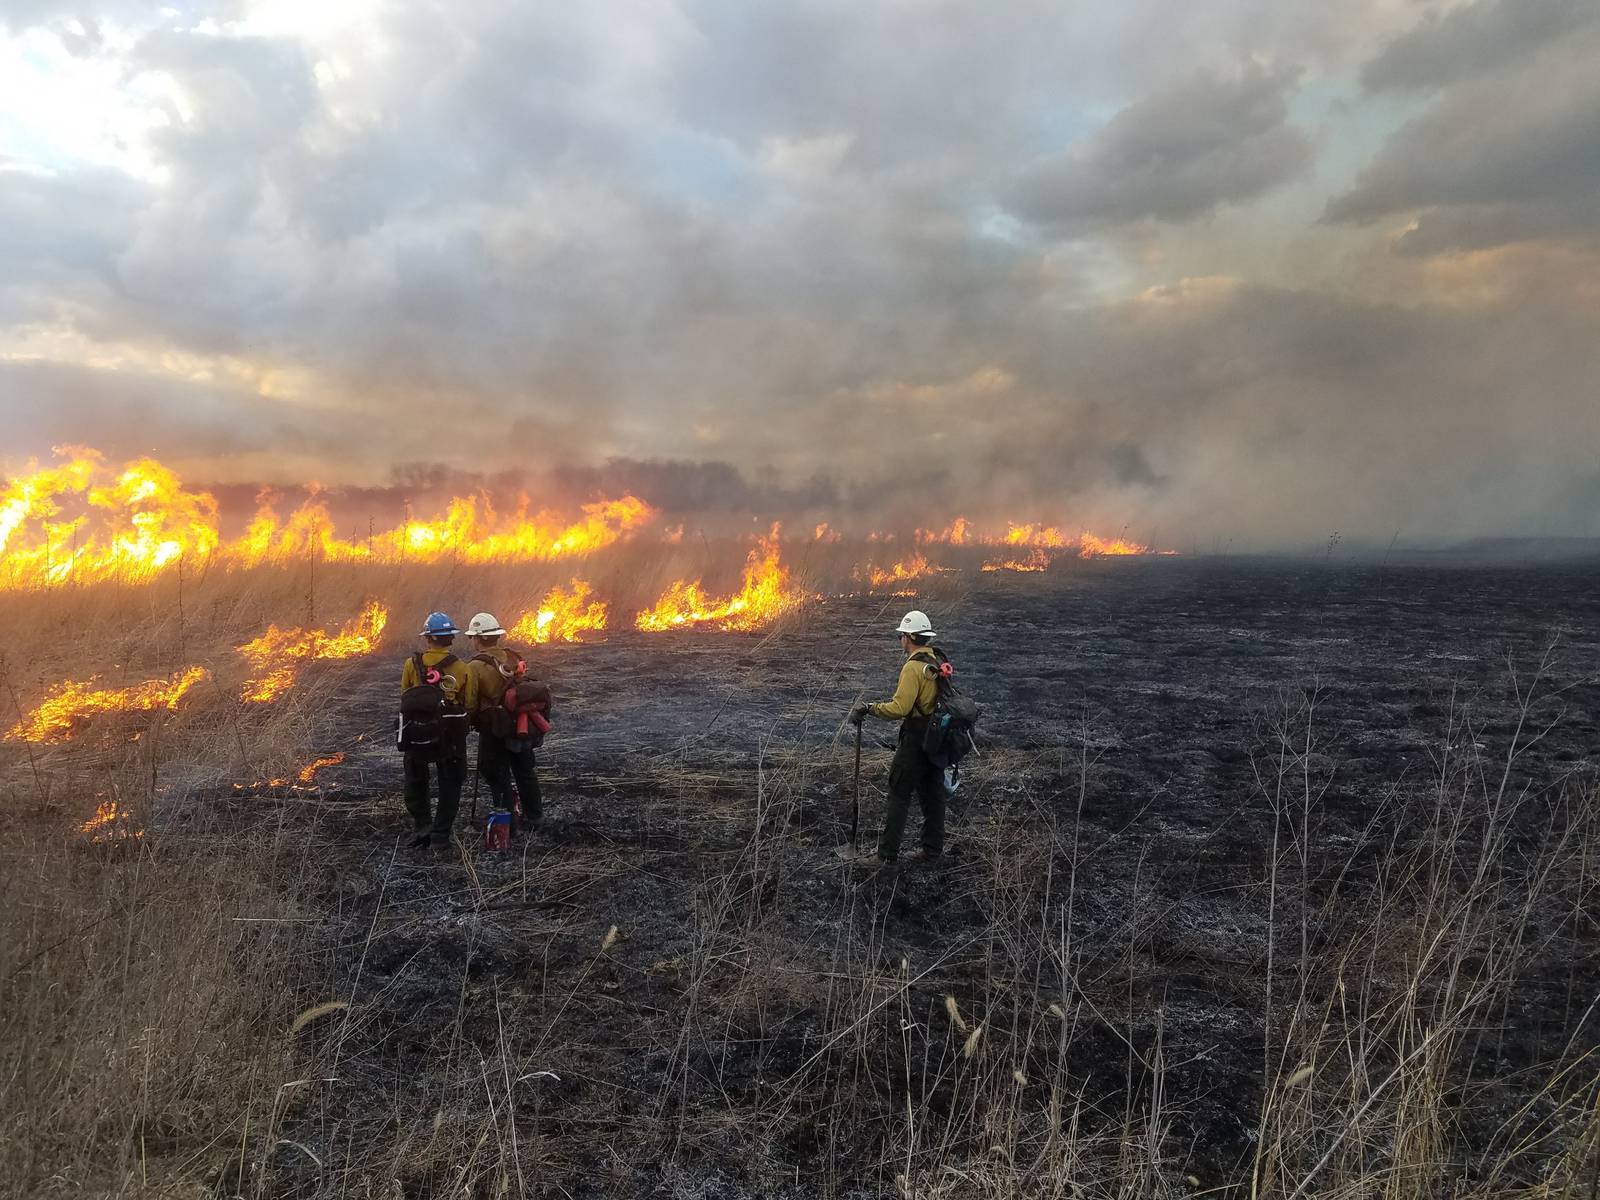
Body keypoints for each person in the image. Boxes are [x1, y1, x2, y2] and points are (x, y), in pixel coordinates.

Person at [849, 610, 946, 867]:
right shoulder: (935, 659)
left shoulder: (913, 668)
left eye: (901, 636)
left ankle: (886, 856)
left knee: (899, 793)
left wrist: (870, 708)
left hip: (916, 740)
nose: (901, 641)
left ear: (909, 638)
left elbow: (900, 708)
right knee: (932, 794)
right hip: (936, 738)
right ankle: (932, 850)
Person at [399, 611, 477, 849]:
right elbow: (470, 703)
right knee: (451, 781)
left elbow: (405, 696)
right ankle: (440, 836)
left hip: (417, 733)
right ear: (451, 639)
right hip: (451, 735)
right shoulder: (463, 668)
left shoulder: (411, 664)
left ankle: (423, 826)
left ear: (428, 638)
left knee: (415, 779)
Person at [462, 611, 543, 830]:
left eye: (472, 637)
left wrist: (467, 720)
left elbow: (470, 702)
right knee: (525, 770)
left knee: (498, 774)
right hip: (520, 723)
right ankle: (536, 818)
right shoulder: (513, 656)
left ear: (478, 638)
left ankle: (507, 825)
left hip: (493, 728)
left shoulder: (475, 666)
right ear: (497, 635)